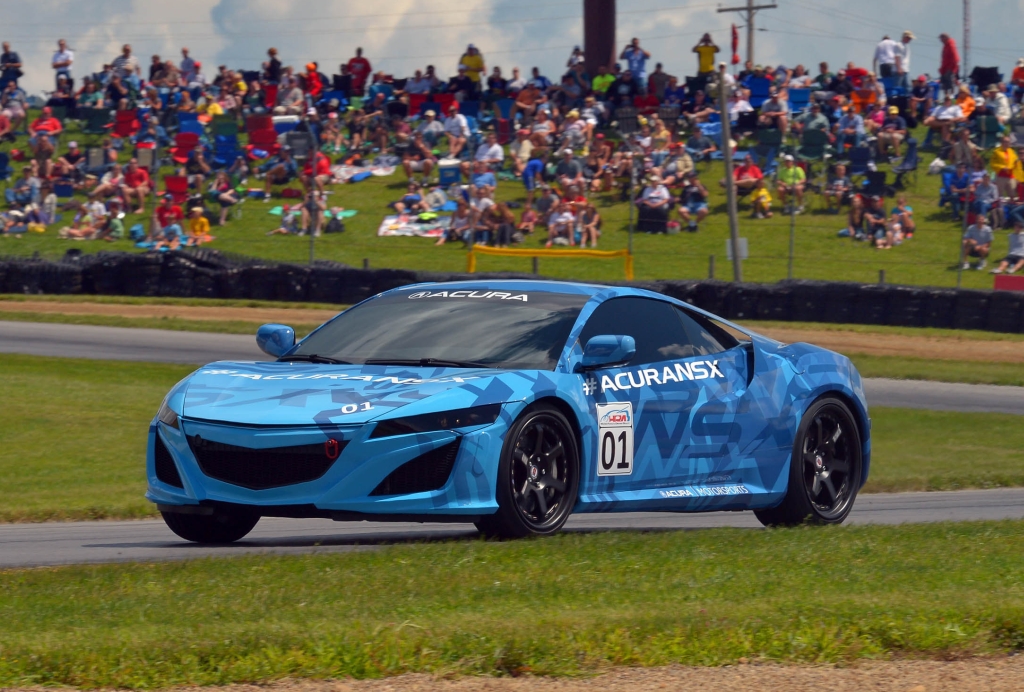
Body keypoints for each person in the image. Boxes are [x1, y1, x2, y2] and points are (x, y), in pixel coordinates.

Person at [990, 136, 1023, 202]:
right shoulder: (996, 152)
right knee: (999, 195)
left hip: (1011, 176)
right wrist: (1002, 167)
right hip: (1001, 176)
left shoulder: (1012, 151)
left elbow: (1016, 162)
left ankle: (1011, 208)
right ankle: (999, 209)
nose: (1007, 143)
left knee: (1012, 195)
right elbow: (992, 164)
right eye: (1005, 142)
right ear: (1002, 142)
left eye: (1008, 142)